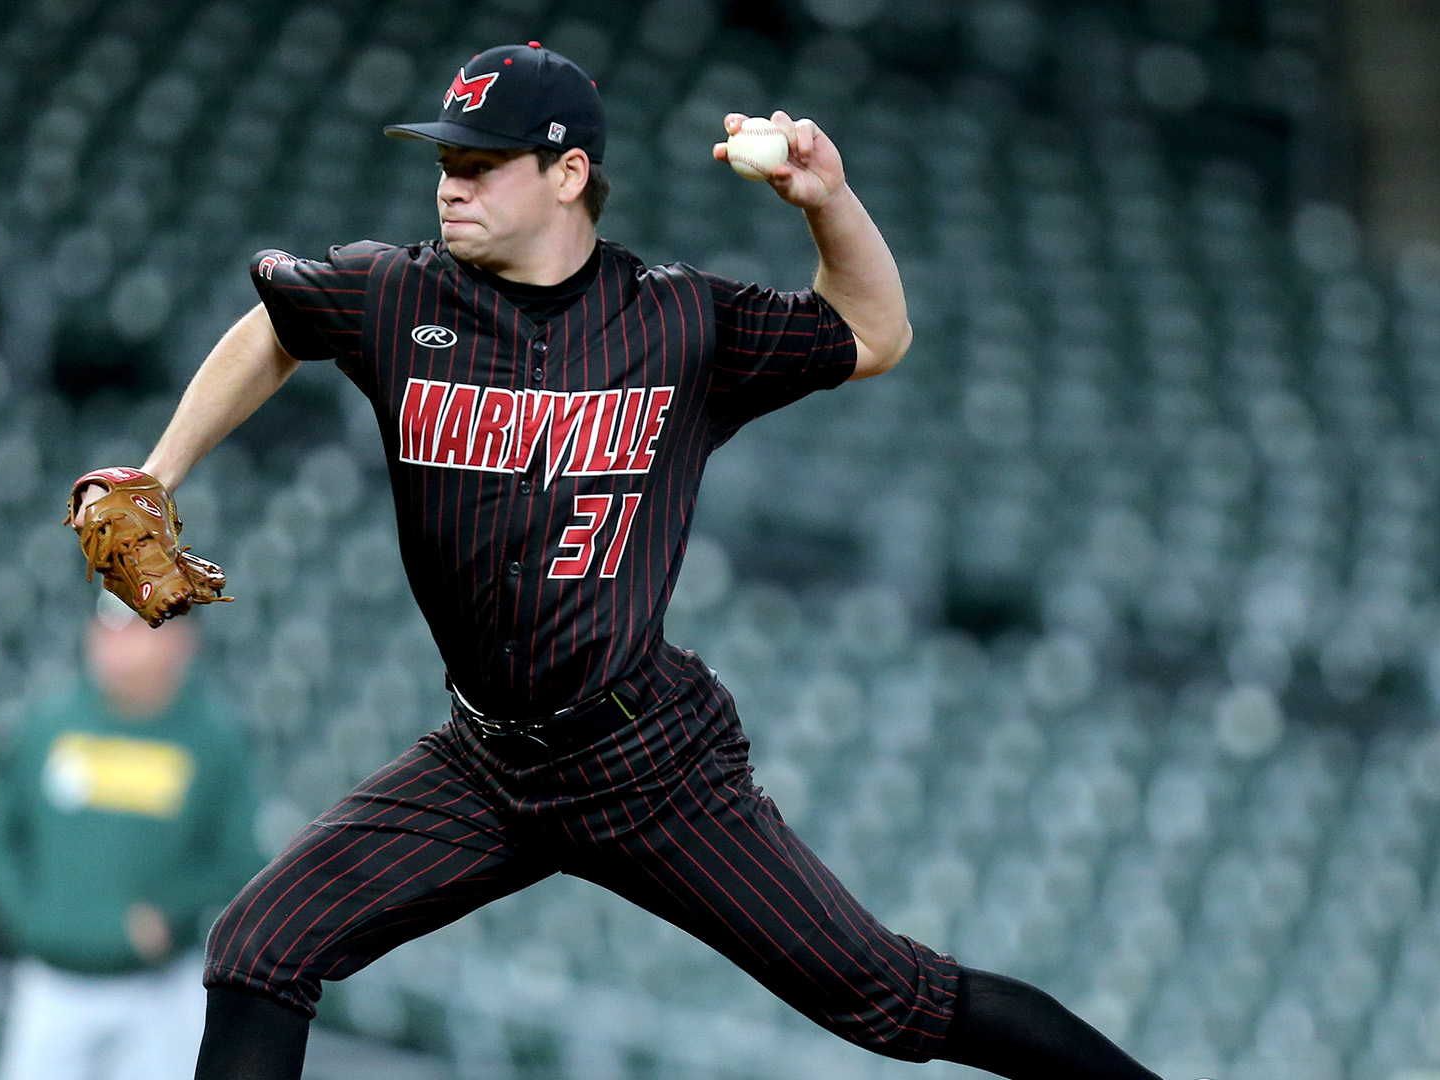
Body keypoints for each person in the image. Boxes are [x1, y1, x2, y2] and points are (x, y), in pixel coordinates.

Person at [75, 41, 1177, 1080]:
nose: (449, 187)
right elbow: (277, 322)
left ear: (568, 174)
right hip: (484, 763)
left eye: (480, 164)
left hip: (648, 764)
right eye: (445, 164)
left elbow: (874, 334)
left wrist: (828, 204)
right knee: (260, 947)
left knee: (891, 1001)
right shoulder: (396, 294)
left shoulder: (678, 321)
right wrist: (160, 471)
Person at [0, 601, 261, 1080]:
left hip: (159, 992)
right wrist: (32, 919)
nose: (116, 643)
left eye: (135, 629)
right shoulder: (49, 722)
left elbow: (239, 861)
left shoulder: (214, 739)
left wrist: (170, 913)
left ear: (178, 640)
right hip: (52, 984)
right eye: (108, 628)